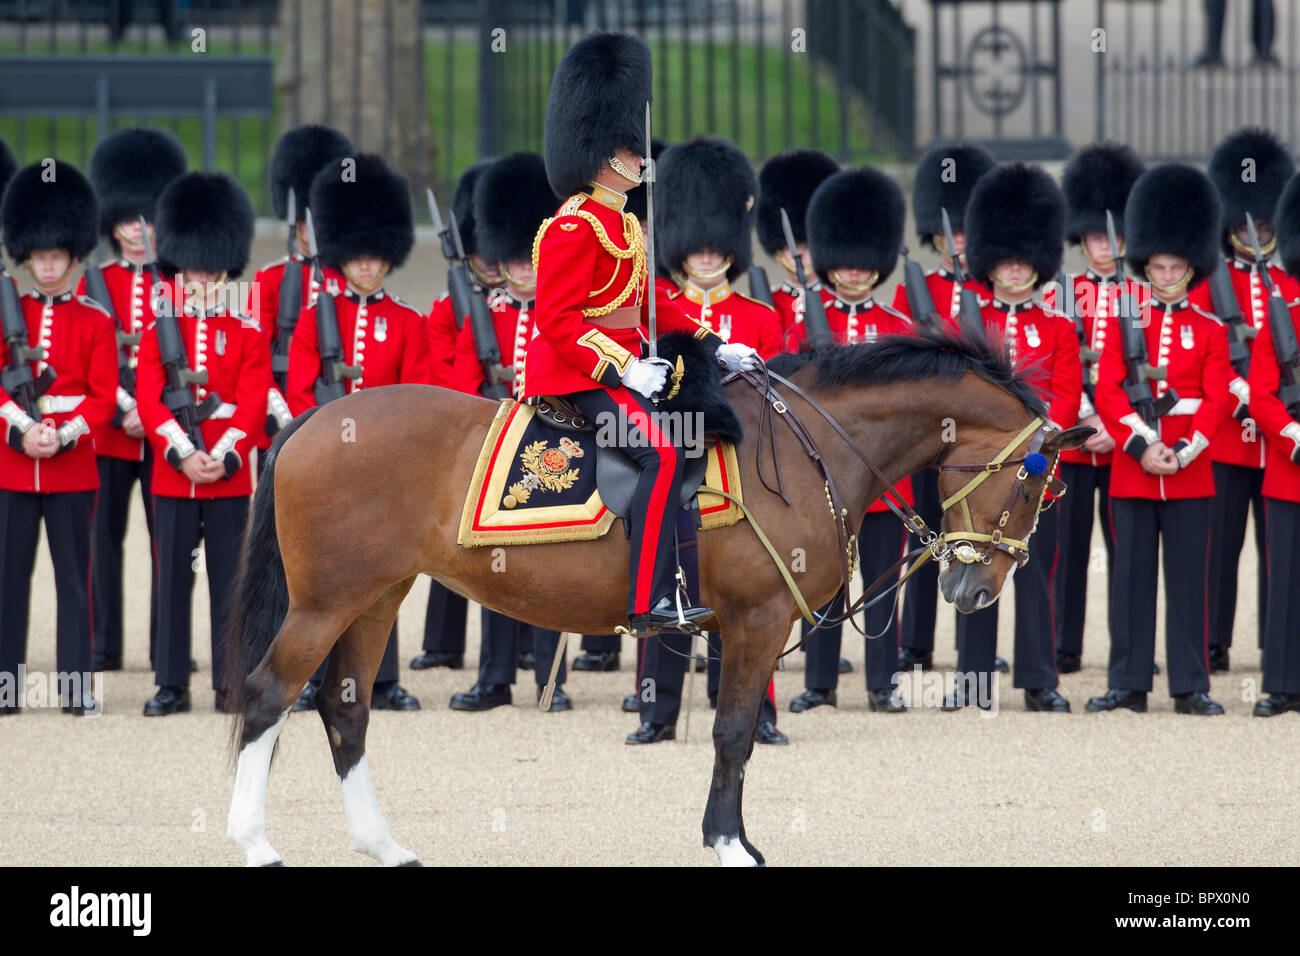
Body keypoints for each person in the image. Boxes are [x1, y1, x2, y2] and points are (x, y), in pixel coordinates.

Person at [523, 31, 752, 638]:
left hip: (627, 371)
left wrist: (713, 343)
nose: (643, 158)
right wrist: (618, 369)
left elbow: (655, 305)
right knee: (663, 450)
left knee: (687, 446)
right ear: (605, 155)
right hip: (574, 378)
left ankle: (681, 588)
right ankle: (644, 597)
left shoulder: (621, 224)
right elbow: (558, 320)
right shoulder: (574, 227)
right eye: (633, 150)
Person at [626, 135, 785, 744]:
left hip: (741, 463)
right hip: (672, 448)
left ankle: (754, 706)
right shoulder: (654, 307)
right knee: (667, 564)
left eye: (719, 246)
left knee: (751, 583)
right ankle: (657, 710)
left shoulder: (761, 318)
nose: (707, 256)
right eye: (696, 246)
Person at [286, 152, 428, 713]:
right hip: (327, 468)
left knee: (383, 574)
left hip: (382, 469)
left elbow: (413, 400)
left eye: (375, 259)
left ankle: (382, 679)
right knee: (322, 577)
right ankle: (315, 675)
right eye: (357, 258)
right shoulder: (313, 317)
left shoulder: (407, 322)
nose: (366, 268)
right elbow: (300, 392)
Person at [1089, 163, 1232, 715]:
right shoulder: (1126, 318)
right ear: (1145, 266)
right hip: (1134, 468)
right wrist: (1143, 444)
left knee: (1189, 581)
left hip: (1190, 471)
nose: (1167, 274)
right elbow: (1106, 390)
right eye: (1158, 266)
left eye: (1175, 266)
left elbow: (1218, 399)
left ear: (1190, 268)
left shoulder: (1211, 328)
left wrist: (1186, 449)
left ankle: (1191, 684)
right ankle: (1128, 682)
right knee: (1130, 580)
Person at [944, 162, 1081, 713]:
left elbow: (1067, 394)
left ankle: (1039, 678)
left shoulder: (1058, 326)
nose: (1015, 269)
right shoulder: (970, 323)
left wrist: (1039, 442)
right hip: (980, 471)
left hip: (1037, 469)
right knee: (973, 562)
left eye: (1025, 260)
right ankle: (973, 679)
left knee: (1037, 573)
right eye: (1005, 259)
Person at [444, 152, 574, 713]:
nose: (524, 269)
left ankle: (551, 679)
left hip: (555, 443)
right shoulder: (483, 312)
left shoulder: (566, 311)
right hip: (497, 447)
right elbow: (457, 386)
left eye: (532, 259)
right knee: (493, 558)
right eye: (515, 260)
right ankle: (495, 677)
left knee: (556, 558)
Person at [135, 171, 269, 715]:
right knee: (170, 581)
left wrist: (226, 452)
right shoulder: (156, 331)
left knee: (229, 586)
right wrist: (181, 452)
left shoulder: (247, 331)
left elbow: (255, 401)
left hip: (228, 475)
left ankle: (229, 682)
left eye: (212, 272)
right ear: (178, 270)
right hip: (174, 474)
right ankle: (171, 683)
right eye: (194, 271)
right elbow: (148, 400)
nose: (203, 280)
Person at [788, 165, 914, 716]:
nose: (855, 274)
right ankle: (820, 682)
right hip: (824, 479)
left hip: (884, 480)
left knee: (882, 582)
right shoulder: (804, 320)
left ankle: (883, 683)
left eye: (865, 264)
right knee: (822, 581)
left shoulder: (898, 324)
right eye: (844, 262)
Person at [0, 159, 117, 716]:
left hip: (72, 468)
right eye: (39, 257)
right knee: (8, 580)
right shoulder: (9, 314)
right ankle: (5, 687)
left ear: (73, 258)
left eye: (56, 257)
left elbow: (102, 394)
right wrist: (23, 431)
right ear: (28, 257)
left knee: (75, 581)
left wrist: (63, 435)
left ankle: (76, 688)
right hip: (14, 465)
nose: (47, 267)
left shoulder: (95, 320)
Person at [80, 126, 187, 674]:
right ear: (111, 224)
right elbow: (89, 358)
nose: (137, 231)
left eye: (146, 219)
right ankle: (103, 645)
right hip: (110, 431)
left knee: (169, 548)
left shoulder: (182, 285)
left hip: (166, 428)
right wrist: (127, 406)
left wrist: (150, 411)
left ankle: (166, 648)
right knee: (104, 543)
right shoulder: (93, 282)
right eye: (126, 220)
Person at [889, 141, 998, 674]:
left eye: (963, 233)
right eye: (947, 233)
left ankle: (974, 656)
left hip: (975, 445)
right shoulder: (919, 290)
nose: (955, 243)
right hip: (929, 440)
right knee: (928, 538)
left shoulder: (992, 289)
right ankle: (915, 646)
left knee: (973, 542)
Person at [1048, 142, 1144, 673]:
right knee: (1068, 551)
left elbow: (1144, 370)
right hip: (1077, 441)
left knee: (1128, 554)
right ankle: (1065, 645)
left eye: (1113, 235)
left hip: (1127, 441)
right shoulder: (1064, 291)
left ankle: (1129, 651)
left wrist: (1114, 422)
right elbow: (1064, 363)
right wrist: (1085, 419)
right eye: (1095, 236)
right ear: (1082, 238)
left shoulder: (1142, 293)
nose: (1104, 245)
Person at [1202, 127, 1293, 671]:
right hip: (1230, 438)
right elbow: (1203, 361)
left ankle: (1275, 645)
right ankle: (1214, 641)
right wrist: (1237, 393)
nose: (1255, 232)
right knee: (1221, 548)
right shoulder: (1207, 285)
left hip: (1280, 437)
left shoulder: (1290, 282)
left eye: (1263, 223)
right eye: (1245, 224)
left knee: (1278, 551)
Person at [415, 160, 500, 672]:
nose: (491, 264)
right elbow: (441, 370)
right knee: (444, 533)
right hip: (469, 425)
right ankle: (442, 643)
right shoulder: (451, 304)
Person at [248, 125, 353, 472]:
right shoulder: (269, 278)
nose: (310, 228)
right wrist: (284, 414)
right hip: (276, 419)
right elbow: (253, 354)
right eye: (303, 222)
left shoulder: (349, 280)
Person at [1249, 170, 1300, 715]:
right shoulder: (1281, 325)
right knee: (1284, 581)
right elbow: (1263, 396)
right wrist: (1294, 435)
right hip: (1291, 470)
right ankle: (1282, 684)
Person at [753, 149, 839, 349]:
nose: (799, 254)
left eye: (807, 246)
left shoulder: (839, 304)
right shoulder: (765, 303)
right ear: (776, 253)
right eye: (792, 246)